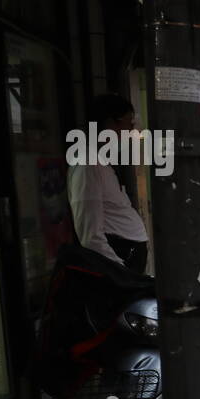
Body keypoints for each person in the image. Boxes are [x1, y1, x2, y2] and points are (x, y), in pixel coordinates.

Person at [68, 94, 150, 273]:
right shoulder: (87, 165)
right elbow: (90, 235)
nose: (132, 131)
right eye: (130, 124)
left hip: (126, 257)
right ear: (112, 124)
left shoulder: (99, 161)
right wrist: (119, 271)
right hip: (119, 261)